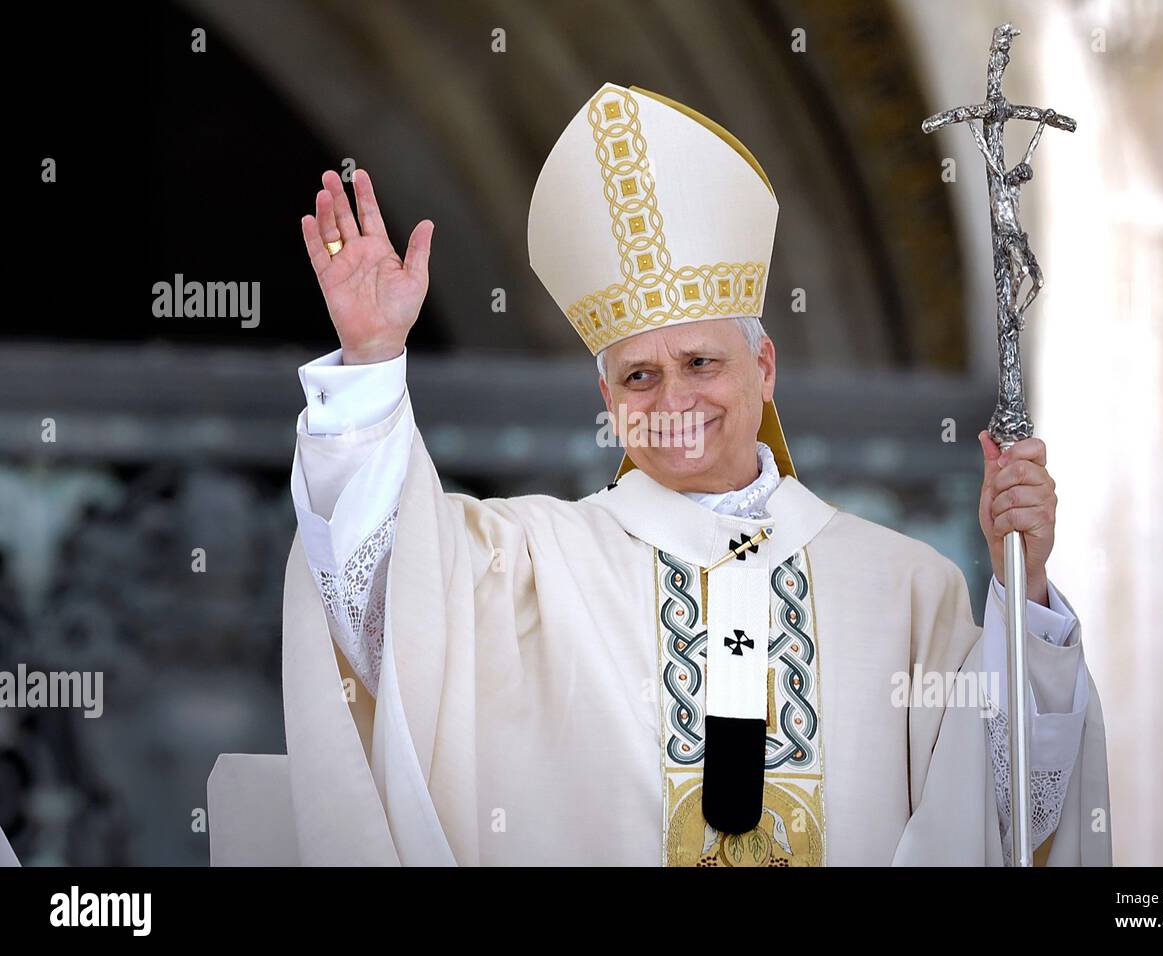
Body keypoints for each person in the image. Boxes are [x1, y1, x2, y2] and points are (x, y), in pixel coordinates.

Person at [208, 82, 1110, 866]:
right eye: (640, 375)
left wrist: (1022, 595)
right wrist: (371, 363)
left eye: (702, 363)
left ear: (765, 370)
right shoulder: (525, 565)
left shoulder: (907, 589)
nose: (672, 395)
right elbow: (379, 611)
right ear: (607, 393)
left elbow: (1007, 818)